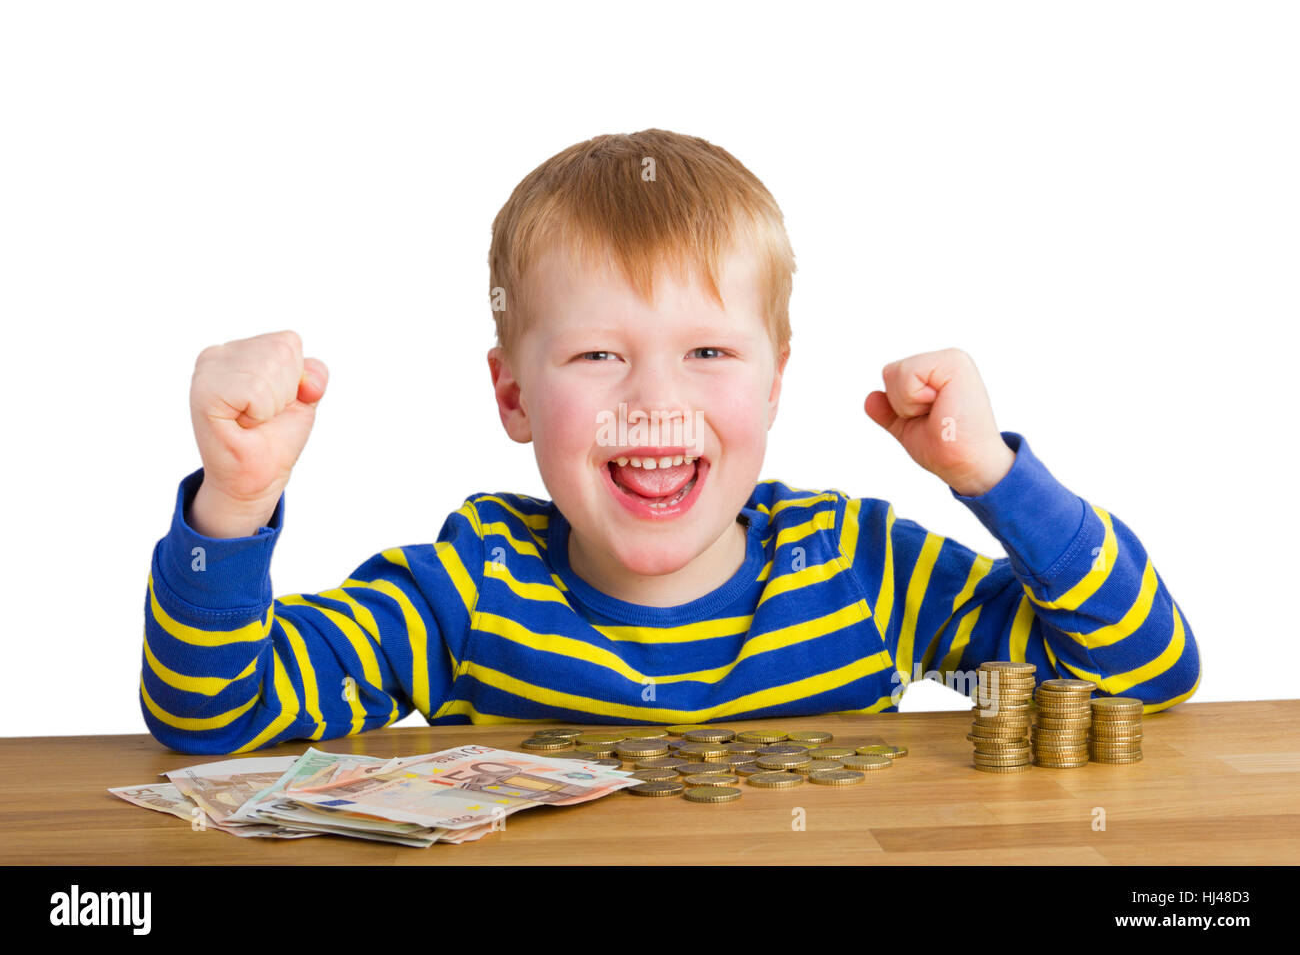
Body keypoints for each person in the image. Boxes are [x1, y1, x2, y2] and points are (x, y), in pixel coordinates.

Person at [141, 128, 1200, 755]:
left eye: (706, 351)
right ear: (511, 394)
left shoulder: (866, 571)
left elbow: (1142, 670)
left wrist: (994, 477)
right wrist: (230, 510)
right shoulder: (461, 590)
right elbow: (212, 720)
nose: (653, 402)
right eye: (597, 356)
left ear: (777, 382)